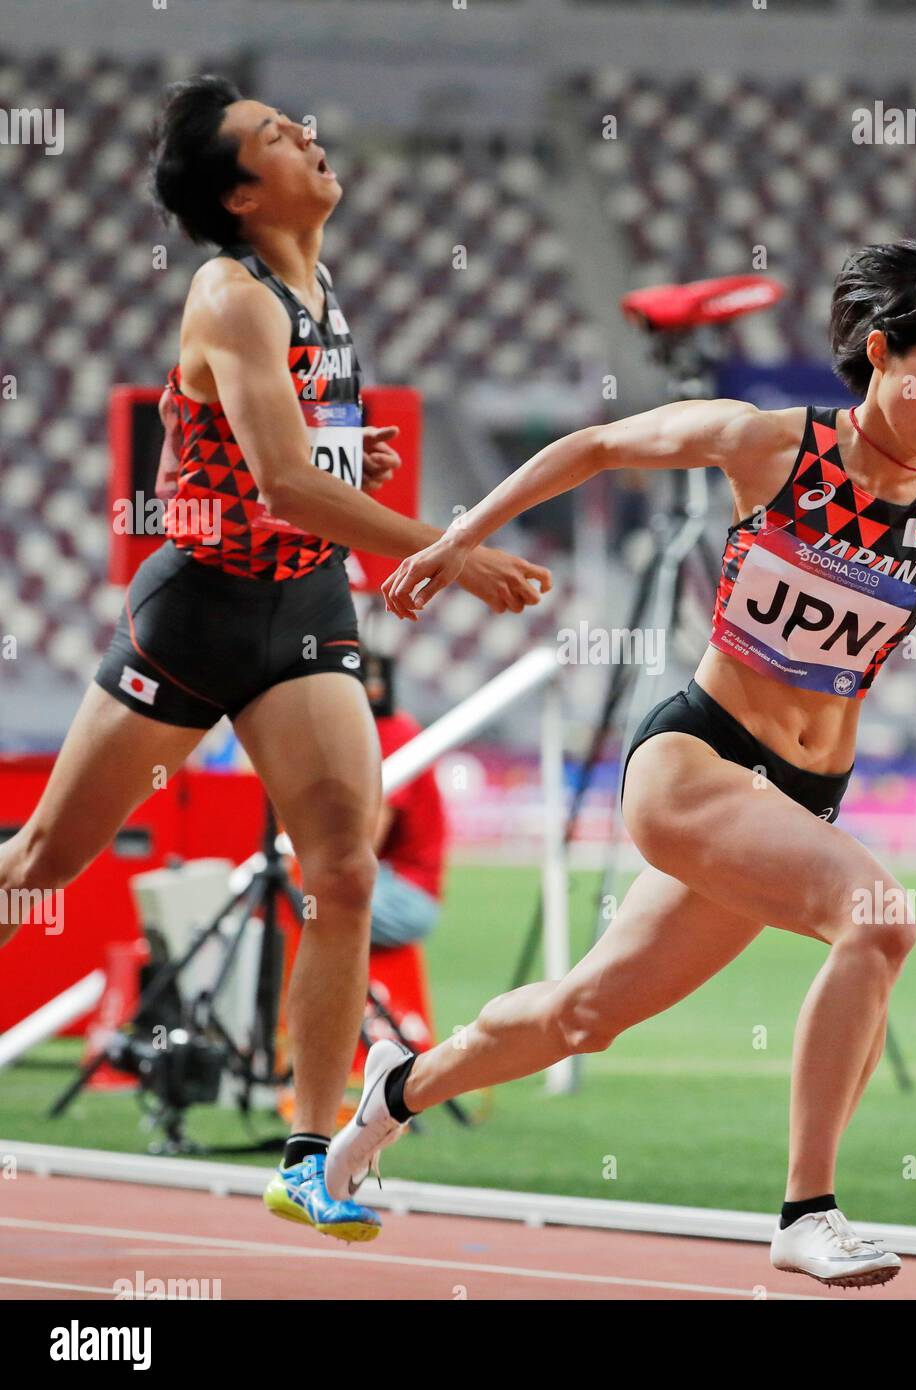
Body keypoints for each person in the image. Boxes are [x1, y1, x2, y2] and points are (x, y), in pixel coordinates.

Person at [326, 238, 916, 1288]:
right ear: (881, 351)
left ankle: (395, 1094)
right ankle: (807, 1210)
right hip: (694, 760)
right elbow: (592, 447)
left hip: (802, 796)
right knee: (881, 916)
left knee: (586, 1013)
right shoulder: (766, 445)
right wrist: (459, 540)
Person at [0, 74, 550, 1246]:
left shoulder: (318, 285)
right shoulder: (229, 293)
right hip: (196, 608)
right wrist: (456, 549)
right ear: (242, 193)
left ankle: (309, 1153)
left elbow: (317, 462)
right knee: (46, 855)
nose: (306, 131)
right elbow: (284, 481)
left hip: (302, 605)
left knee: (344, 869)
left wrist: (360, 458)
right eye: (273, 135)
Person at [364, 652, 447, 951]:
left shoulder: (389, 728)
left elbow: (366, 841)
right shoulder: (374, 723)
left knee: (294, 902)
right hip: (388, 882)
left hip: (404, 890)